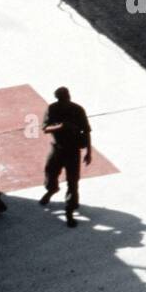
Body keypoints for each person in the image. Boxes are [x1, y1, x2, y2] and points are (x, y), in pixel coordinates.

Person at [39, 86, 92, 228]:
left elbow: (86, 131)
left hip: (73, 151)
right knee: (50, 173)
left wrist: (88, 151)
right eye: (61, 98)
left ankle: (69, 210)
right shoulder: (52, 108)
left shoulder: (78, 110)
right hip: (57, 149)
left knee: (73, 181)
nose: (64, 100)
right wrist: (61, 126)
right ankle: (52, 189)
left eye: (65, 97)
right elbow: (45, 128)